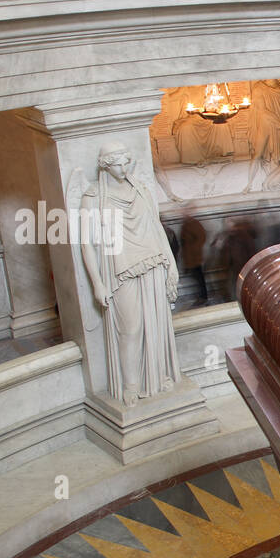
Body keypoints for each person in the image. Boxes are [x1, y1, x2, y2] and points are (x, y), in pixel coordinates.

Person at [78, 142, 181, 406]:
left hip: (153, 262)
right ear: (105, 165)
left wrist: (172, 264)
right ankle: (131, 384)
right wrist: (97, 283)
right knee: (131, 328)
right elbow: (86, 244)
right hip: (121, 270)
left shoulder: (141, 189)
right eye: (117, 164)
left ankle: (157, 377)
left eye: (126, 163)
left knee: (156, 323)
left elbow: (158, 230)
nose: (123, 169)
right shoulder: (93, 198)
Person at [179, 212, 209, 305]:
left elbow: (201, 238)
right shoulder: (186, 225)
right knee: (198, 277)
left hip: (194, 257)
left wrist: (195, 251)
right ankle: (202, 296)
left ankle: (203, 297)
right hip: (191, 257)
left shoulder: (193, 224)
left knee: (199, 278)